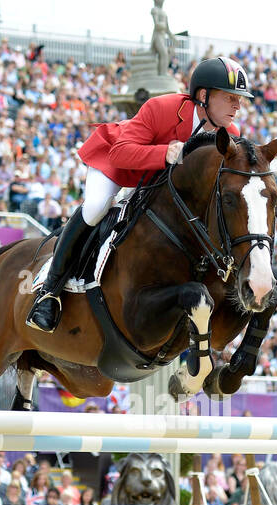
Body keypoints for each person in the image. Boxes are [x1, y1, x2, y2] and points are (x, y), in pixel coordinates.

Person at [26, 56, 253, 332]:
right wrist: (165, 153)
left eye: (240, 99)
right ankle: (48, 292)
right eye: (230, 97)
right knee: (96, 207)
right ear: (204, 95)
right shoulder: (163, 107)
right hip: (116, 164)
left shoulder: (230, 133)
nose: (237, 105)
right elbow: (120, 152)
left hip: (153, 181)